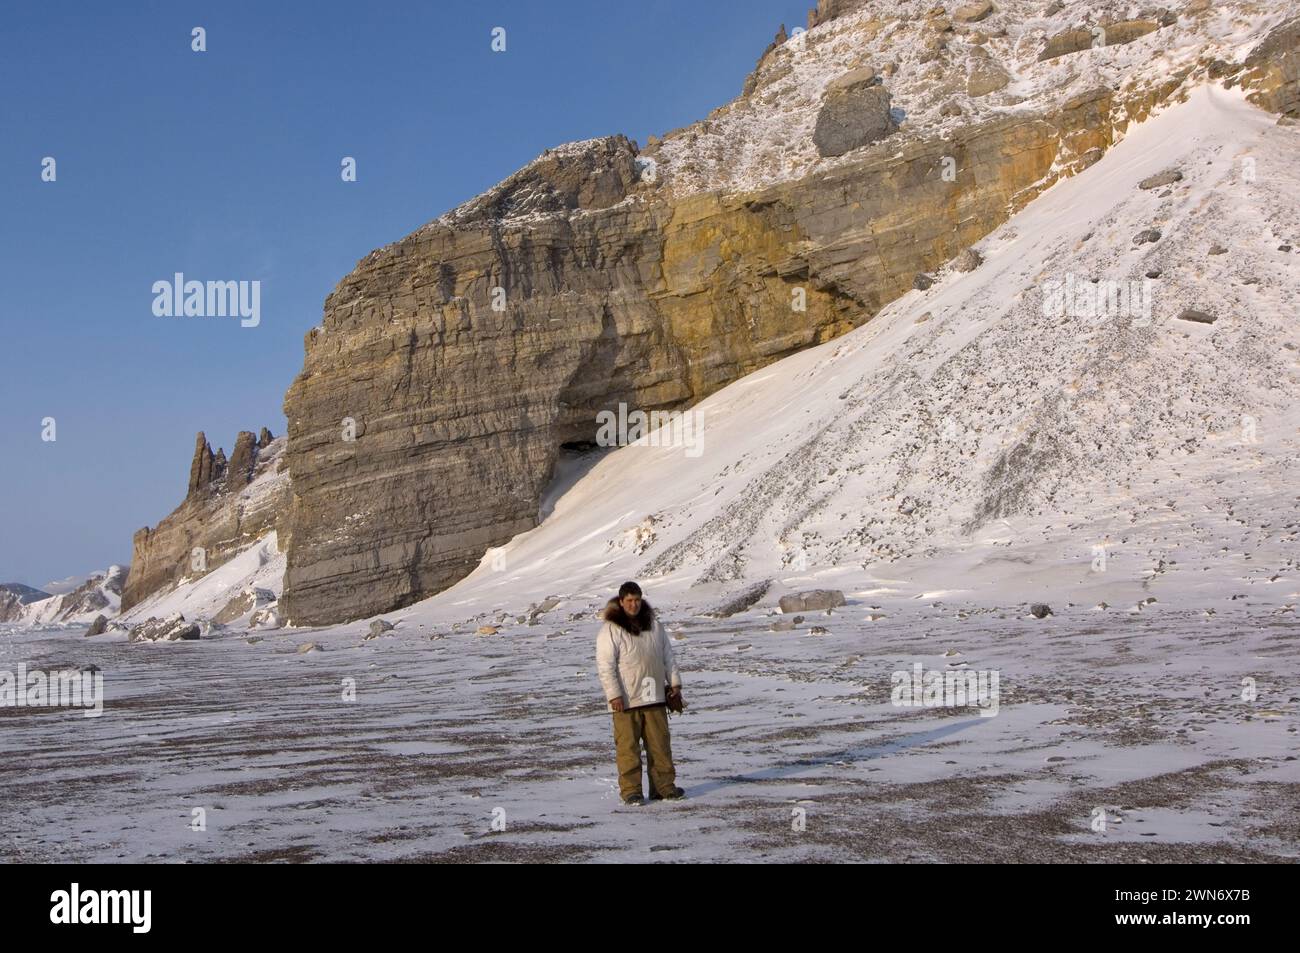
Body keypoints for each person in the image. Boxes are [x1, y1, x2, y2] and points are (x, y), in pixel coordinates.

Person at [595, 581, 686, 805]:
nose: (634, 605)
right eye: (629, 601)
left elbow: (668, 657)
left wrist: (674, 684)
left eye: (637, 600)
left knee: (660, 746)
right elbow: (605, 665)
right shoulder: (611, 629)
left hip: (654, 695)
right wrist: (614, 695)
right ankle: (631, 791)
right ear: (621, 601)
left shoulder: (655, 626)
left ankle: (664, 787)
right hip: (626, 699)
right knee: (628, 748)